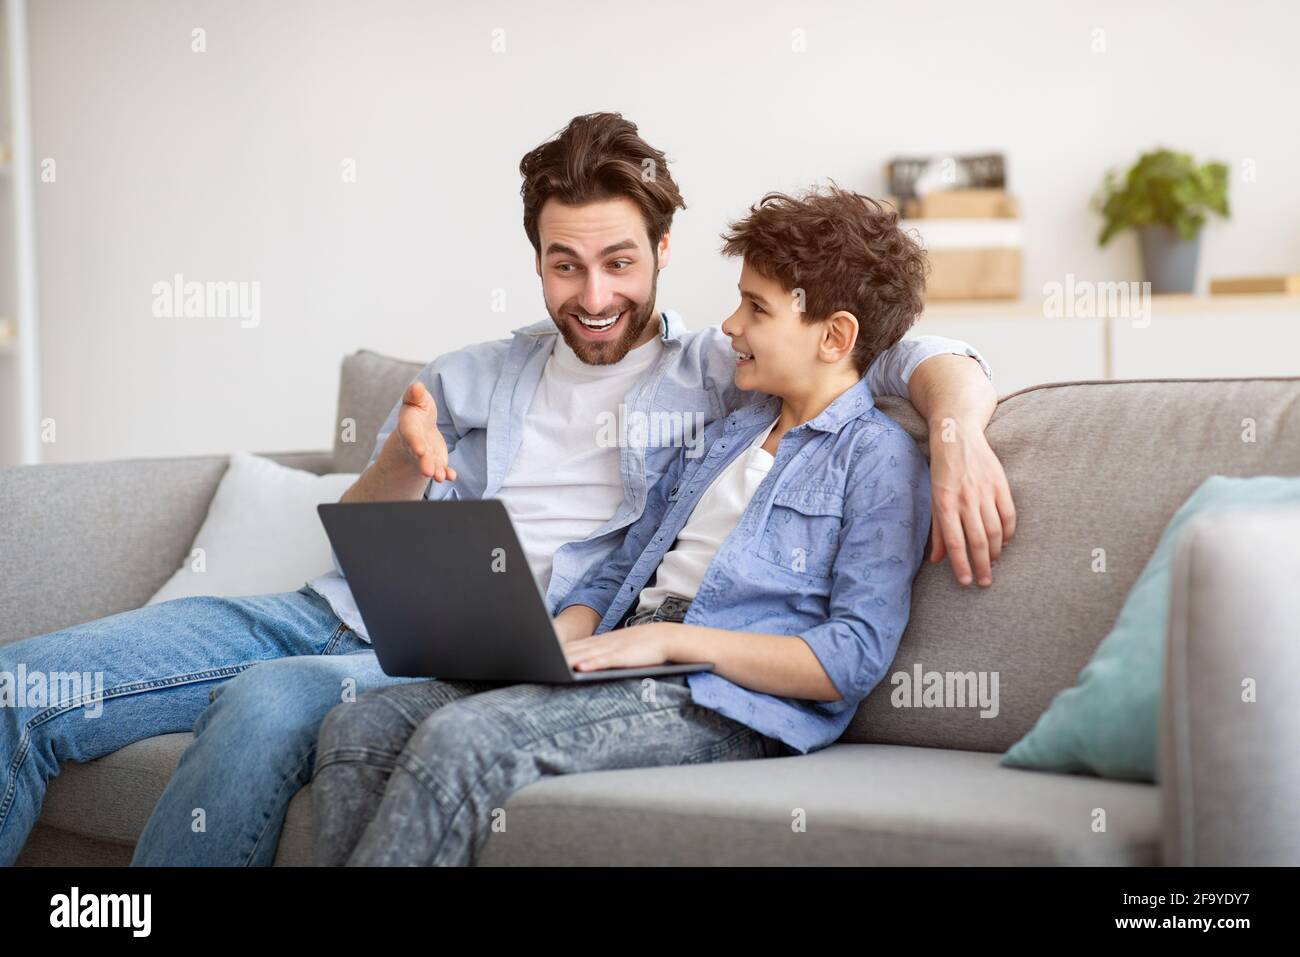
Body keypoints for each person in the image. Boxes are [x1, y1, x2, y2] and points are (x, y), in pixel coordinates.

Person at [0, 112, 1009, 867]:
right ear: (535, 262)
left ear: (663, 253)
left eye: (620, 261)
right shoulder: (482, 373)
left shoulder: (722, 373)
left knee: (281, 707)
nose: (595, 294)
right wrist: (404, 459)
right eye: (564, 266)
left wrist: (956, 429)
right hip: (343, 611)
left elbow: (884, 350)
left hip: (507, 657)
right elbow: (366, 531)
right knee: (18, 687)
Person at [310, 185, 933, 866]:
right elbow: (625, 560)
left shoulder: (877, 459)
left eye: (756, 308)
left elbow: (851, 656)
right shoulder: (729, 431)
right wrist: (549, 642)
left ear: (835, 336)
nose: (729, 325)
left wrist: (672, 639)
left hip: (723, 699)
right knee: (359, 722)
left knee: (465, 740)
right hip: (624, 659)